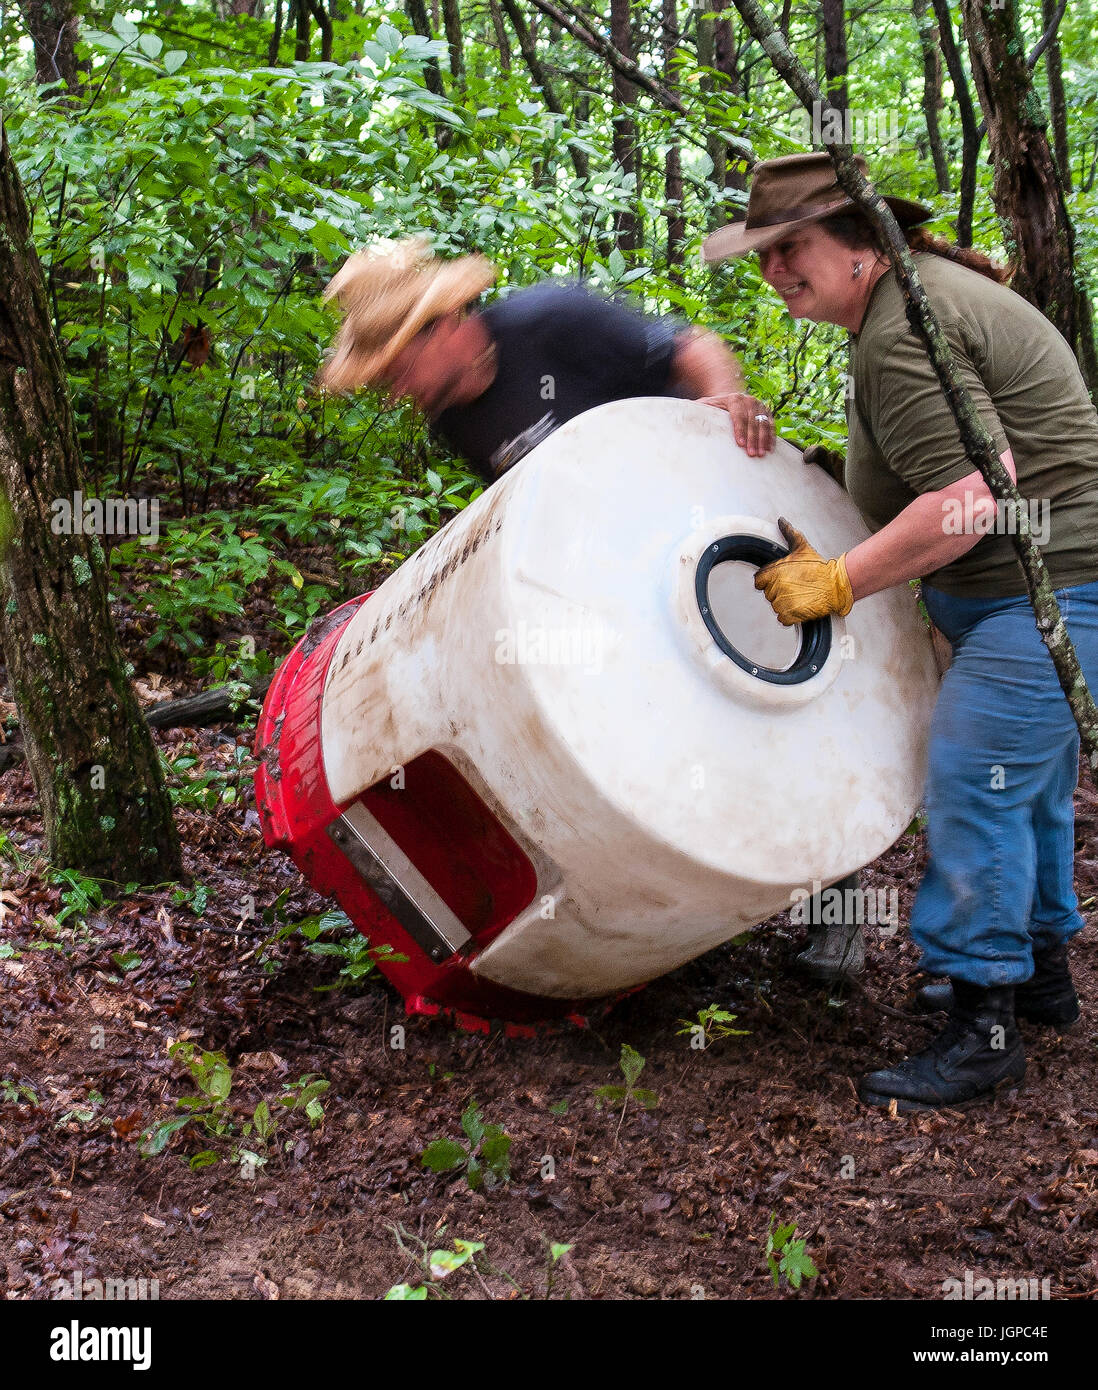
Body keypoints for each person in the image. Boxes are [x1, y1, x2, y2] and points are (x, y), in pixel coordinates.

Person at [704, 151, 1098, 1111]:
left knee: (974, 780)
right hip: (1042, 594)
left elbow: (971, 497)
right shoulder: (907, 305)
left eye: (790, 246)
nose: (775, 272)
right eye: (763, 255)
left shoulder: (903, 330)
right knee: (1026, 787)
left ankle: (984, 1024)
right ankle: (1037, 980)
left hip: (1055, 591)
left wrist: (840, 581)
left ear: (859, 244)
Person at [316, 235, 775, 482]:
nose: (397, 394)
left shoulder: (551, 321)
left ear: (443, 323)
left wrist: (725, 400)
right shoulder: (451, 421)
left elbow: (691, 346)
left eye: (399, 371)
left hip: (691, 489)